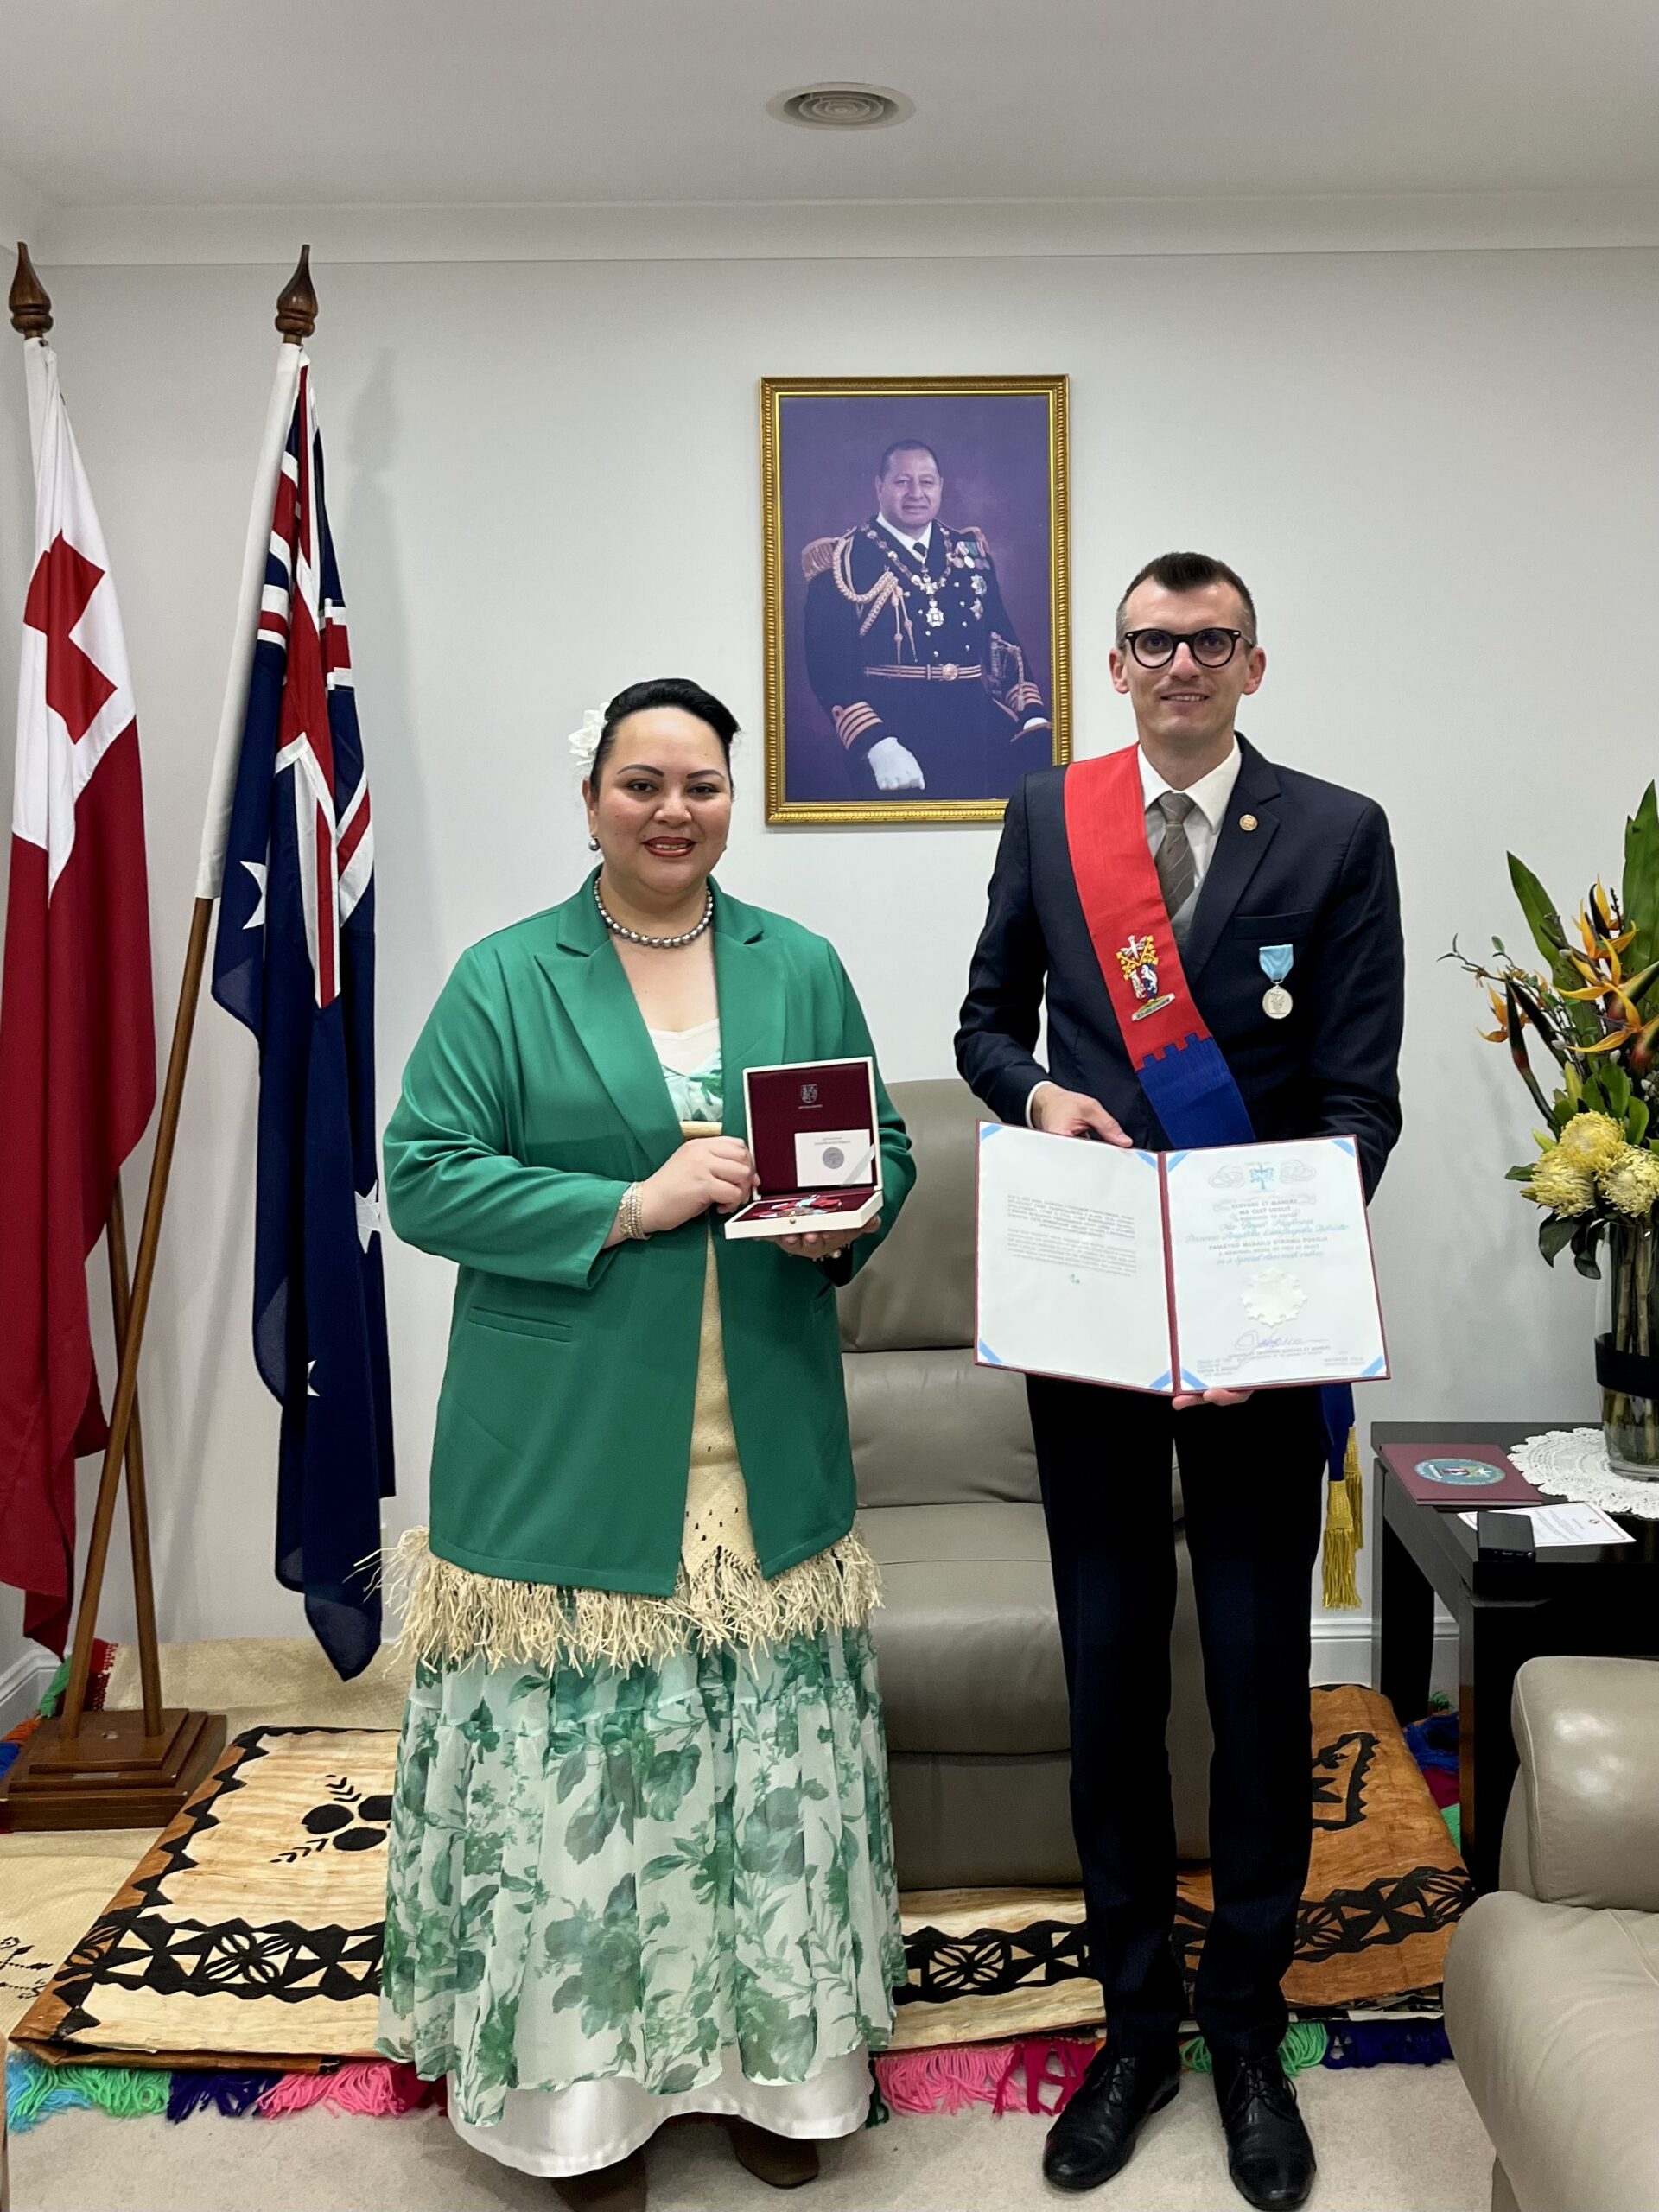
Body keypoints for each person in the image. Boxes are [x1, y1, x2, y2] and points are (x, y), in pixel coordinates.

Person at [377, 677, 915, 2211]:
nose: (673, 810)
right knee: (586, 1805)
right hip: (569, 1452)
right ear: (594, 798)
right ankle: (579, 2115)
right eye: (641, 783)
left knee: (764, 1789)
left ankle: (777, 2081)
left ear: (732, 798)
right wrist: (626, 1200)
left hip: (764, 1453)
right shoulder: (506, 975)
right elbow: (424, 1176)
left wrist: (848, 1221)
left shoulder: (796, 962)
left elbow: (874, 1144)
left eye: (701, 784)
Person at [956, 552, 1404, 2209]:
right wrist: (1040, 1100)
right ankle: (1133, 2020)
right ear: (1117, 661)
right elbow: (986, 1024)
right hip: (1091, 1327)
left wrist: (1263, 1296)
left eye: (1211, 642)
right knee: (1111, 1677)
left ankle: (1245, 2017)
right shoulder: (1048, 818)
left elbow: (1364, 1099)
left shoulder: (1340, 834)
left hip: (1255, 1338)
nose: (1181, 666)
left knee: (1255, 1683)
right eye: (1153, 642)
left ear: (1255, 665)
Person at [802, 438, 1051, 803]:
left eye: (927, 481)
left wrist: (1030, 714)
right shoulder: (843, 560)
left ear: (941, 487)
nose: (916, 493)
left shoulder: (970, 553)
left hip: (978, 728)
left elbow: (1002, 642)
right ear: (879, 487)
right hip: (894, 732)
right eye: (903, 482)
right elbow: (829, 668)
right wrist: (876, 743)